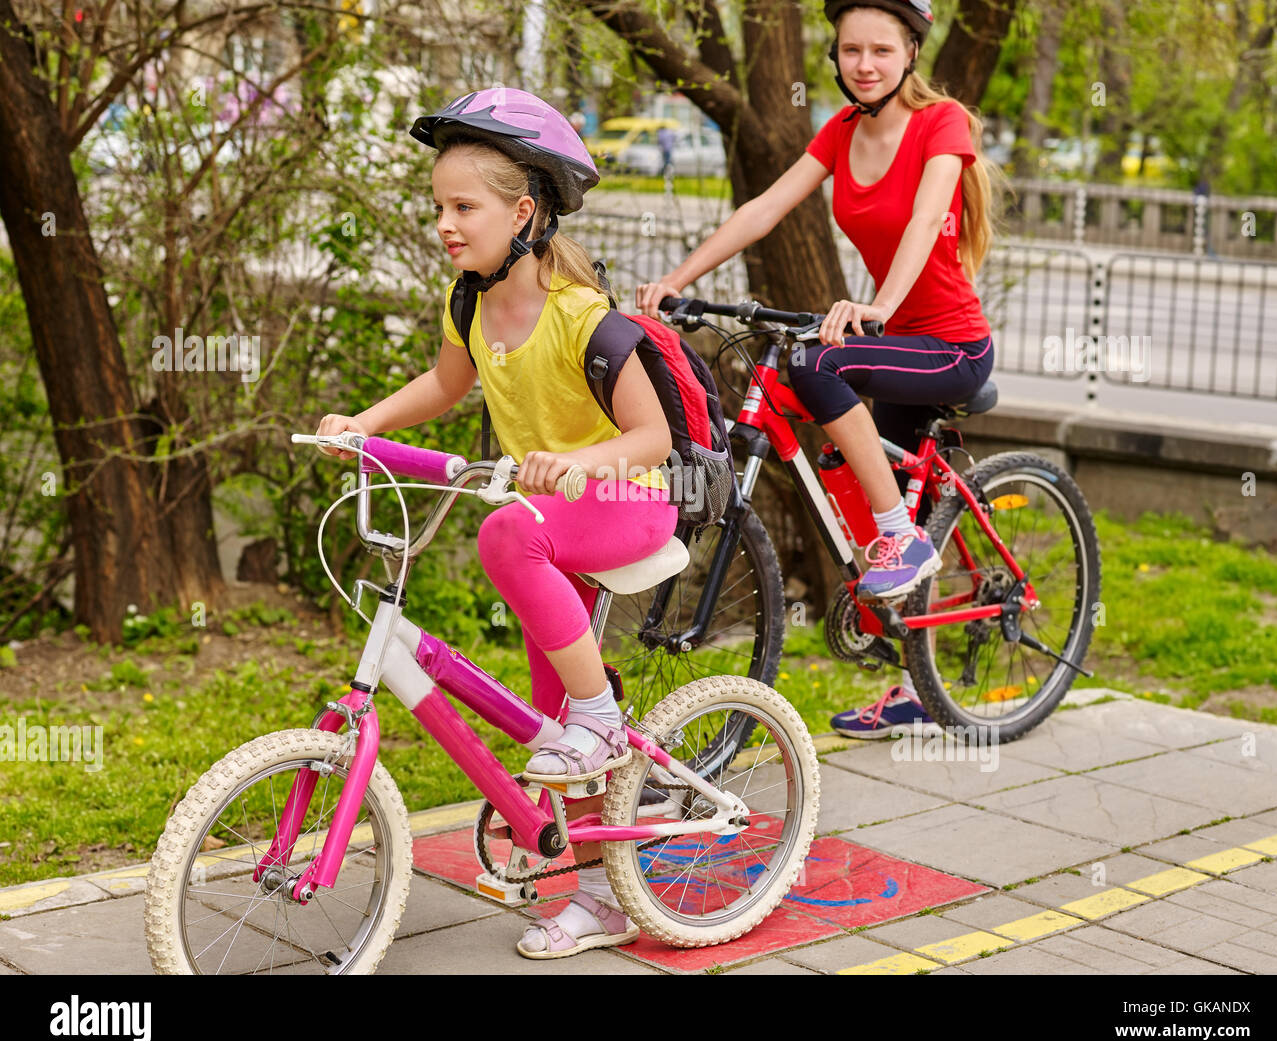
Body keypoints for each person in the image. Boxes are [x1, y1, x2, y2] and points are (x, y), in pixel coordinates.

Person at [317, 87, 676, 958]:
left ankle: (599, 712)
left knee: (506, 537)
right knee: (553, 731)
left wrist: (577, 464)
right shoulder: (470, 303)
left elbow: (652, 437)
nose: (445, 222)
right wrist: (363, 424)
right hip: (548, 520)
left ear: (523, 212)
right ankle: (602, 891)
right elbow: (445, 387)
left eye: (463, 206)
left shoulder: (586, 319)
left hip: (628, 501)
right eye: (439, 205)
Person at [636, 0, 1000, 739]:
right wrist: (677, 279)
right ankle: (911, 681)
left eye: (882, 50)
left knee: (817, 365)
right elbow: (763, 209)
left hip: (952, 347)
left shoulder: (942, 124)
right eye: (851, 50)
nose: (865, 64)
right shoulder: (839, 132)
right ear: (835, 57)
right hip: (896, 343)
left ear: (910, 55)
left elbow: (930, 216)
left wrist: (876, 305)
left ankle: (904, 532)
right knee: (846, 447)